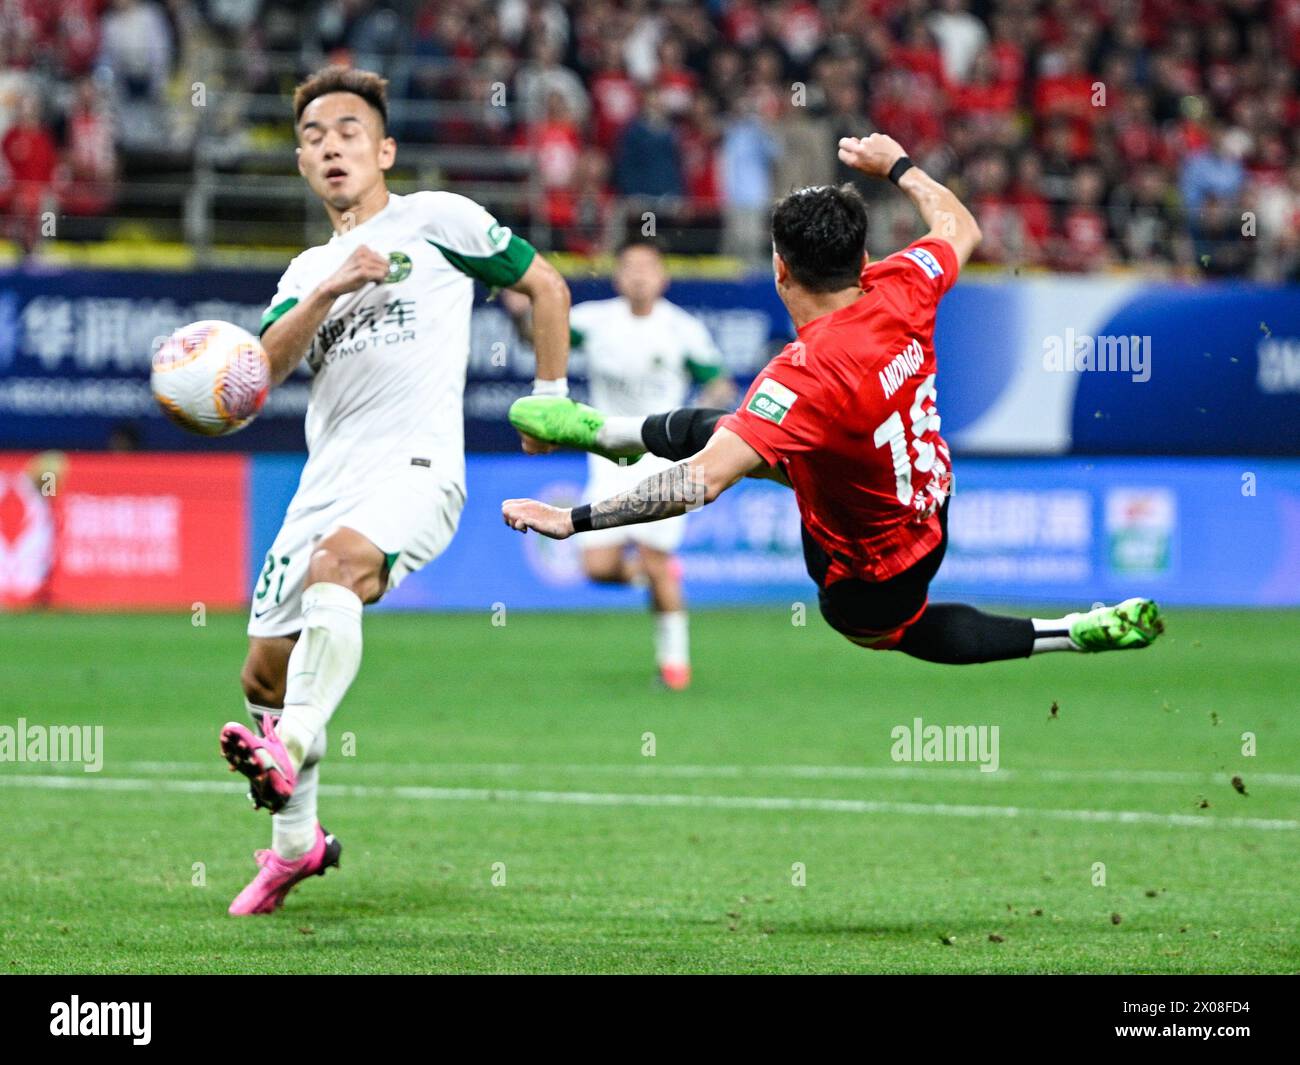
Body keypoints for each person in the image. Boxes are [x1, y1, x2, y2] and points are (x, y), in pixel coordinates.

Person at [504, 133, 1163, 663]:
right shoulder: (902, 282)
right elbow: (958, 224)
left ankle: (1067, 633)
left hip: (868, 565)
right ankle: (608, 433)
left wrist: (575, 520)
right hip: (922, 494)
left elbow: (698, 483)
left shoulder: (800, 376)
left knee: (892, 633)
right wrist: (900, 164)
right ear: (865, 255)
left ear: (780, 269)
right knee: (746, 434)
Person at [220, 66, 572, 916]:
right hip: (324, 481)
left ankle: (290, 745)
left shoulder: (439, 219)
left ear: (383, 149)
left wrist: (550, 400)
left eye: (347, 130)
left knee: (337, 573)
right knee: (265, 676)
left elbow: (546, 286)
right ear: (302, 164)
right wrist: (334, 285)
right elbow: (257, 372)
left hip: (418, 468)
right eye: (312, 137)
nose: (330, 144)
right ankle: (298, 846)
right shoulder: (305, 268)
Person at [504, 237, 732, 688]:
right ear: (618, 276)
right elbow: (539, 335)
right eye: (630, 268)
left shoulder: (682, 328)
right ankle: (649, 576)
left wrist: (698, 423)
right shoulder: (597, 320)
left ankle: (674, 668)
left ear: (663, 277)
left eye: (648, 267)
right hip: (609, 455)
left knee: (657, 557)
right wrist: (517, 315)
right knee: (597, 567)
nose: (639, 276)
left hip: (663, 457)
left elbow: (718, 384)